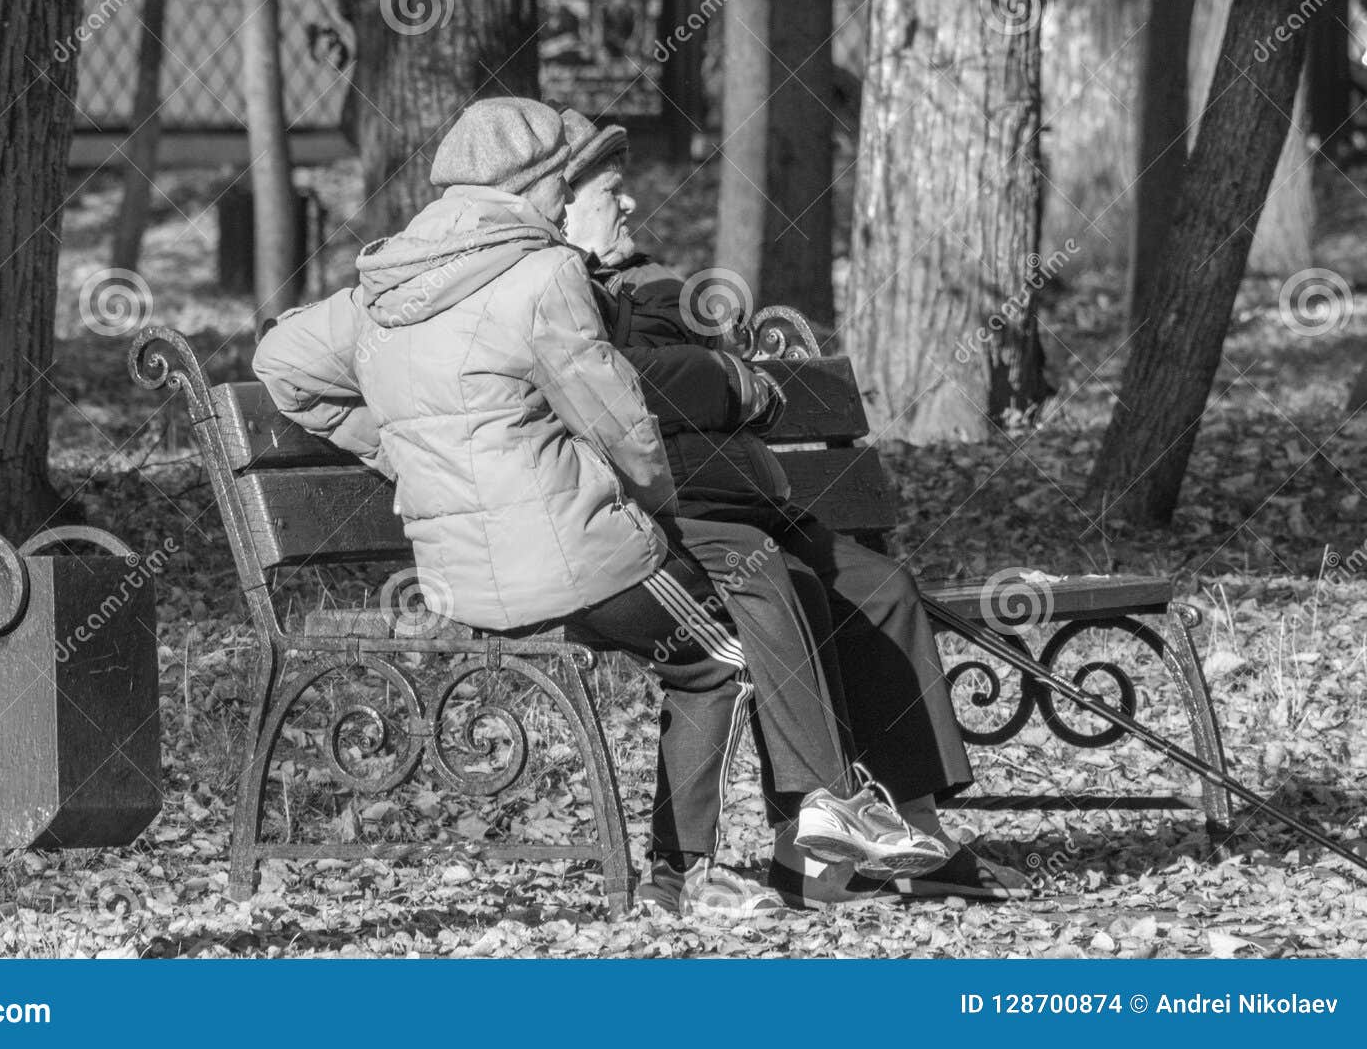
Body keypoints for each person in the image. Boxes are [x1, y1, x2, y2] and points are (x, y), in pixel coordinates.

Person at [253, 97, 949, 917]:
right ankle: (698, 867)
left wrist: (395, 447)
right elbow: (621, 423)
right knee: (723, 654)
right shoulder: (543, 274)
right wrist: (645, 503)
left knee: (741, 607)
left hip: (459, 573)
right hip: (567, 557)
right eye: (568, 182)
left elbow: (280, 360)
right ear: (538, 184)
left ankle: (747, 847)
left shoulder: (384, 288)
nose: (586, 201)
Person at [555, 105, 1031, 905]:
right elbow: (629, 386)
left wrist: (709, 379)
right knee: (785, 588)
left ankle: (914, 828)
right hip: (671, 520)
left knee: (880, 588)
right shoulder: (560, 291)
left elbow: (725, 375)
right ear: (559, 206)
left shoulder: (649, 281)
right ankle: (807, 842)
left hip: (743, 497)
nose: (630, 204)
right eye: (610, 192)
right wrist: (711, 383)